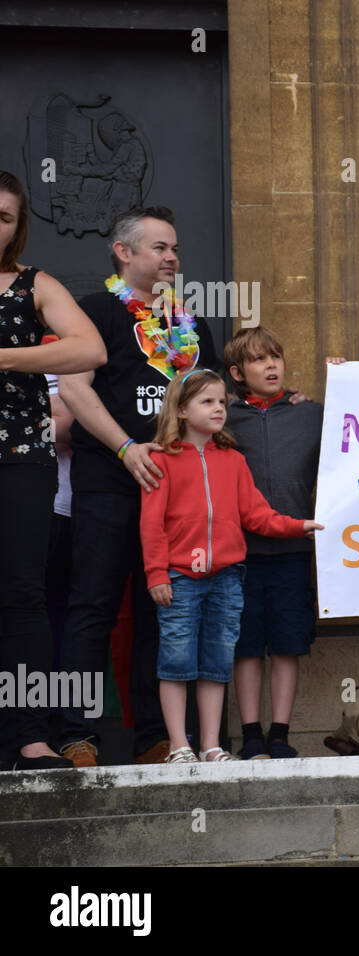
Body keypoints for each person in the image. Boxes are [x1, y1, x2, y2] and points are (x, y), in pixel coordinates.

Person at [56, 205, 220, 766]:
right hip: (109, 481)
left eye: (175, 248)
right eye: (159, 248)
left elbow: (215, 400)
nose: (173, 257)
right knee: (92, 607)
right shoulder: (95, 310)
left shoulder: (191, 323)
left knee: (163, 610)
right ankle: (77, 734)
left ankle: (159, 736)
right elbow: (75, 388)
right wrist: (127, 449)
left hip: (174, 496)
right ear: (122, 253)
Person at [140, 369, 322, 763]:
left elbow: (258, 516)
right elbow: (151, 524)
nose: (219, 408)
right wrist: (156, 573)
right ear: (182, 410)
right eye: (207, 402)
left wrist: (298, 526)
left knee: (217, 661)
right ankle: (178, 745)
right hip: (178, 577)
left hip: (227, 578)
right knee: (176, 660)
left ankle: (210, 746)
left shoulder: (234, 461)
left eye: (222, 401)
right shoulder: (161, 460)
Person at [0, 170, 106, 770]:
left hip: (19, 456)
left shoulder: (33, 284)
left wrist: (4, 358)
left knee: (22, 594)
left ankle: (30, 737)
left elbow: (88, 349)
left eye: (5, 216)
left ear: (17, 228)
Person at [224, 328, 342, 759]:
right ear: (238, 373)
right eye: (258, 360)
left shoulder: (309, 413)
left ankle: (280, 734)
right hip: (239, 554)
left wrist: (348, 385)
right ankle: (250, 733)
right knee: (247, 645)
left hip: (294, 550)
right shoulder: (225, 420)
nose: (271, 365)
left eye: (276, 356)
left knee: (289, 643)